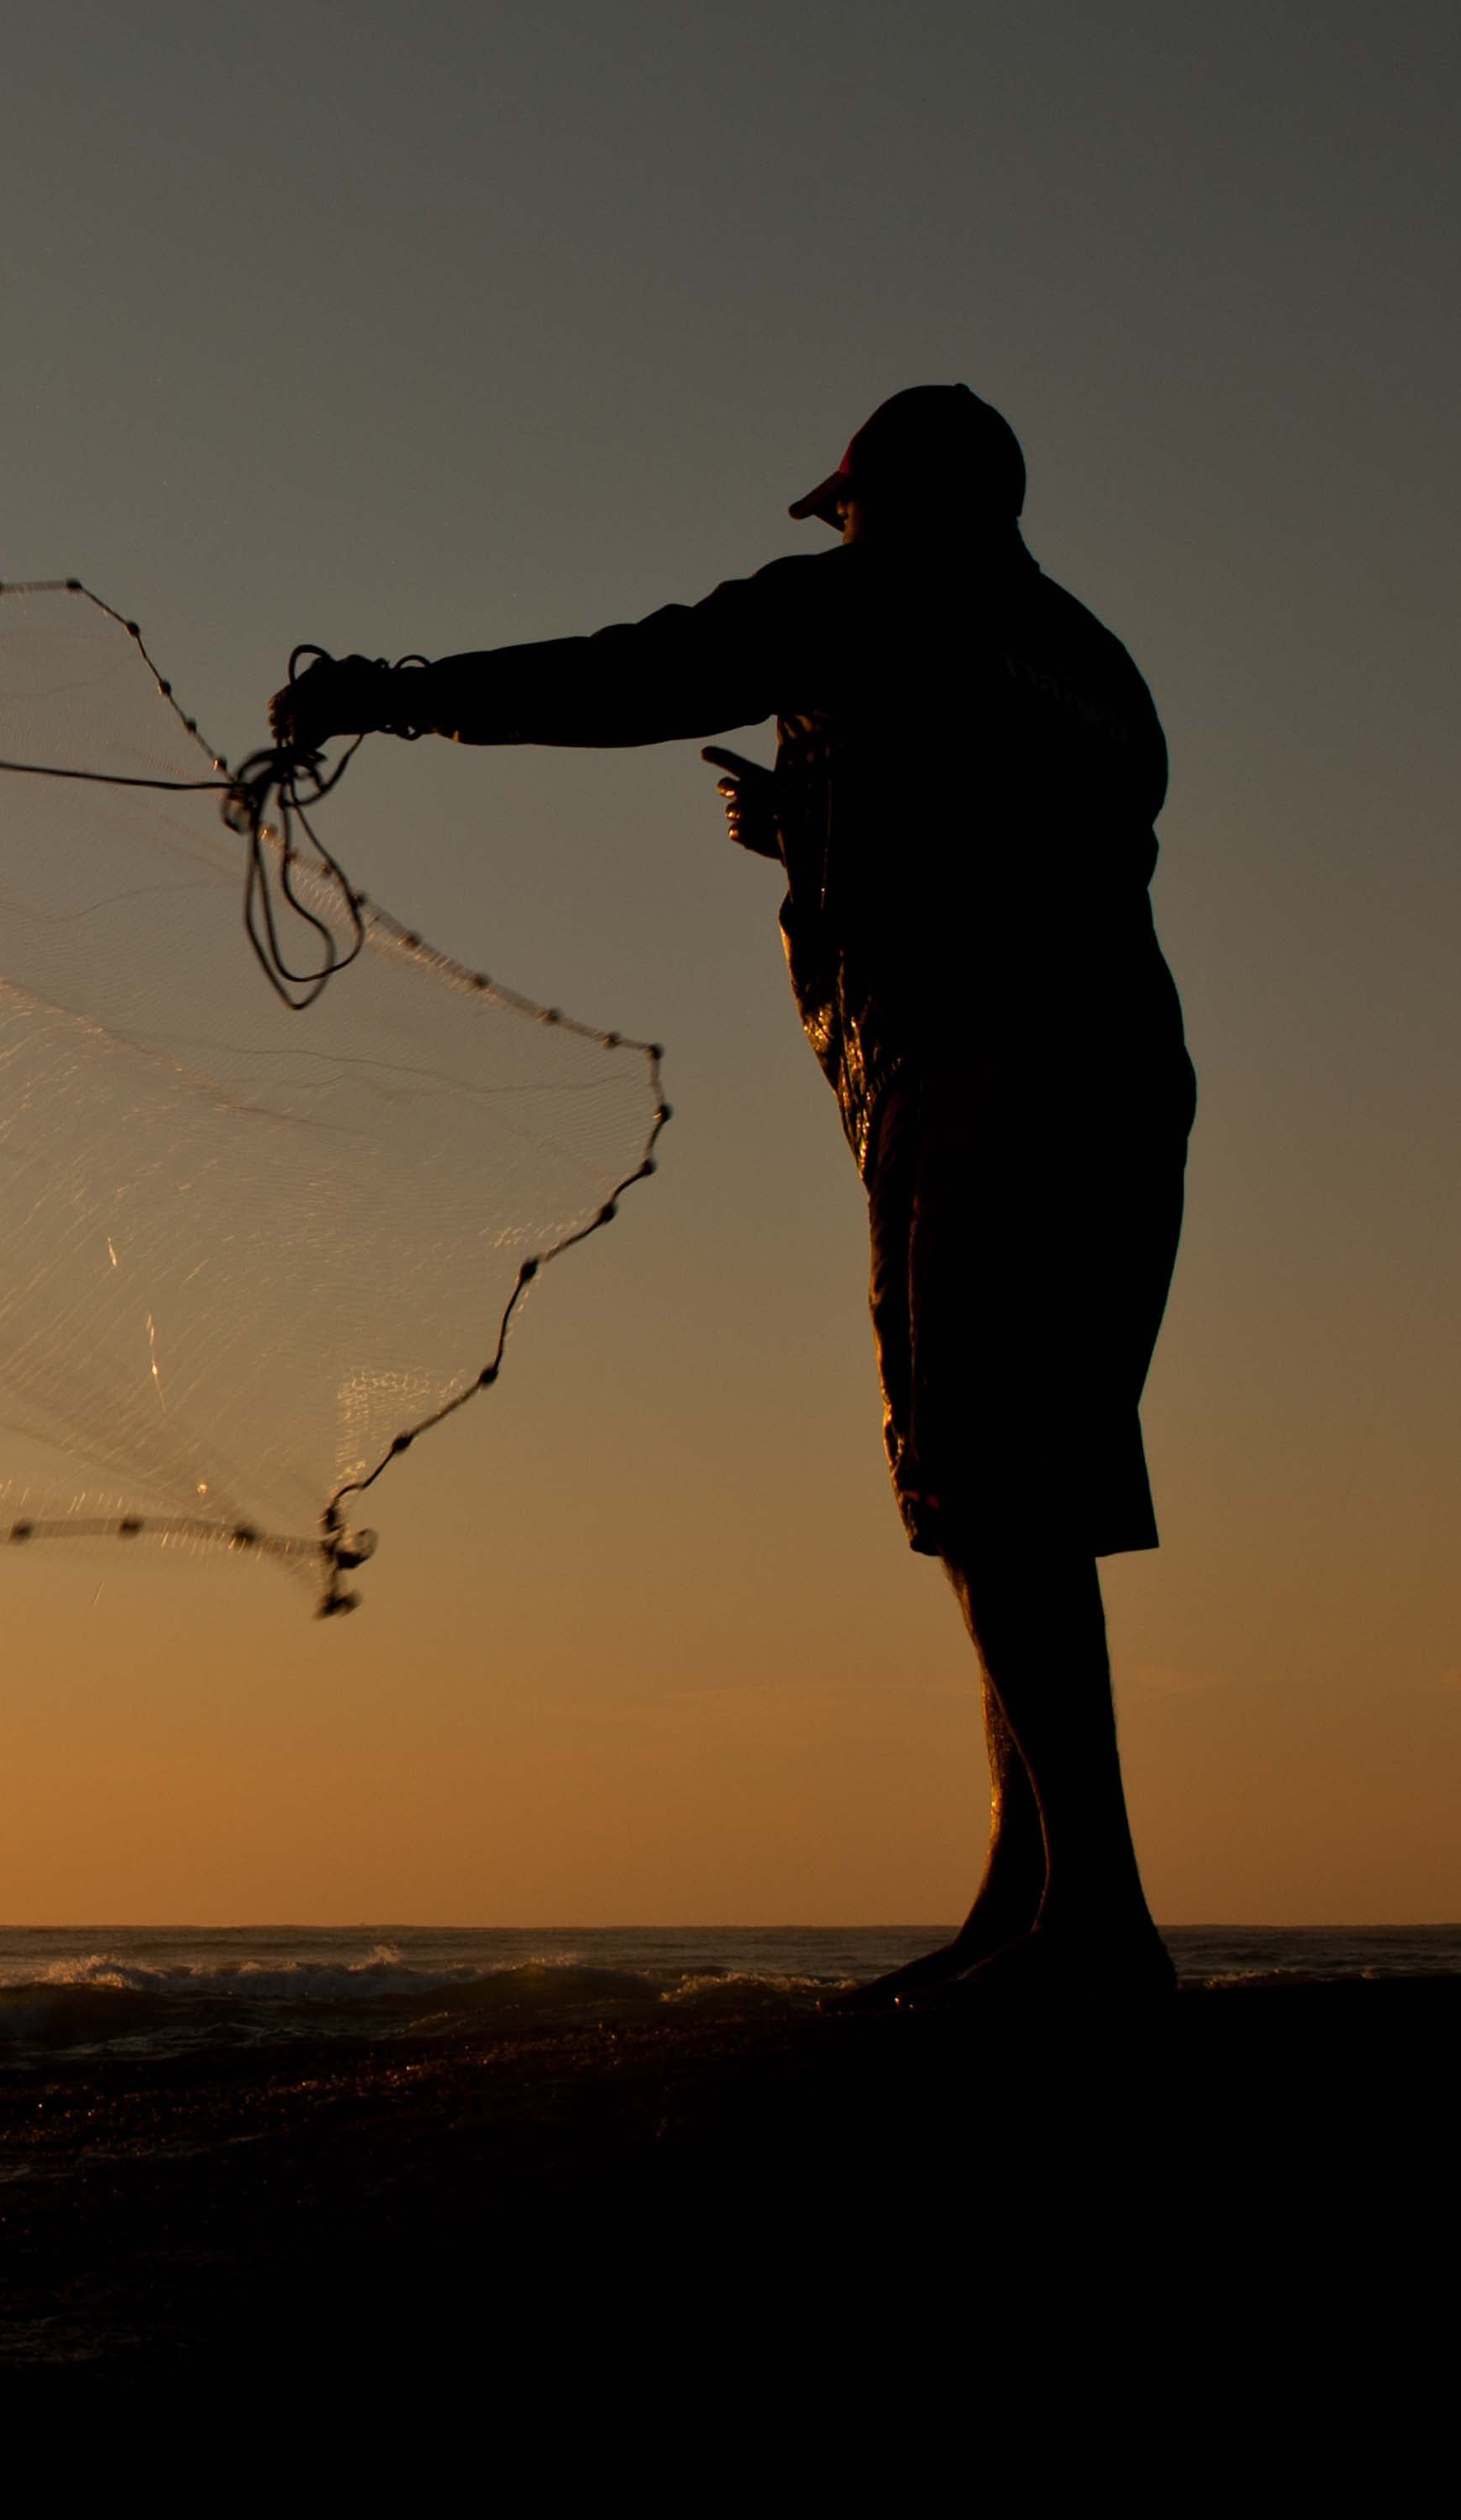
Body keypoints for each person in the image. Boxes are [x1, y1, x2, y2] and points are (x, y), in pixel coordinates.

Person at [273, 387, 1189, 2002]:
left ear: (877, 509)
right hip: (1121, 1090)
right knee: (1025, 1486)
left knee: (986, 1477)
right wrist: (815, 829)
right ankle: (1030, 1897)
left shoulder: (857, 603)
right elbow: (1036, 846)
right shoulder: (1098, 670)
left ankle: (1092, 1924)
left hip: (985, 1082)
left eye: (844, 513)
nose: (835, 536)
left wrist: (391, 698)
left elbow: (635, 675)